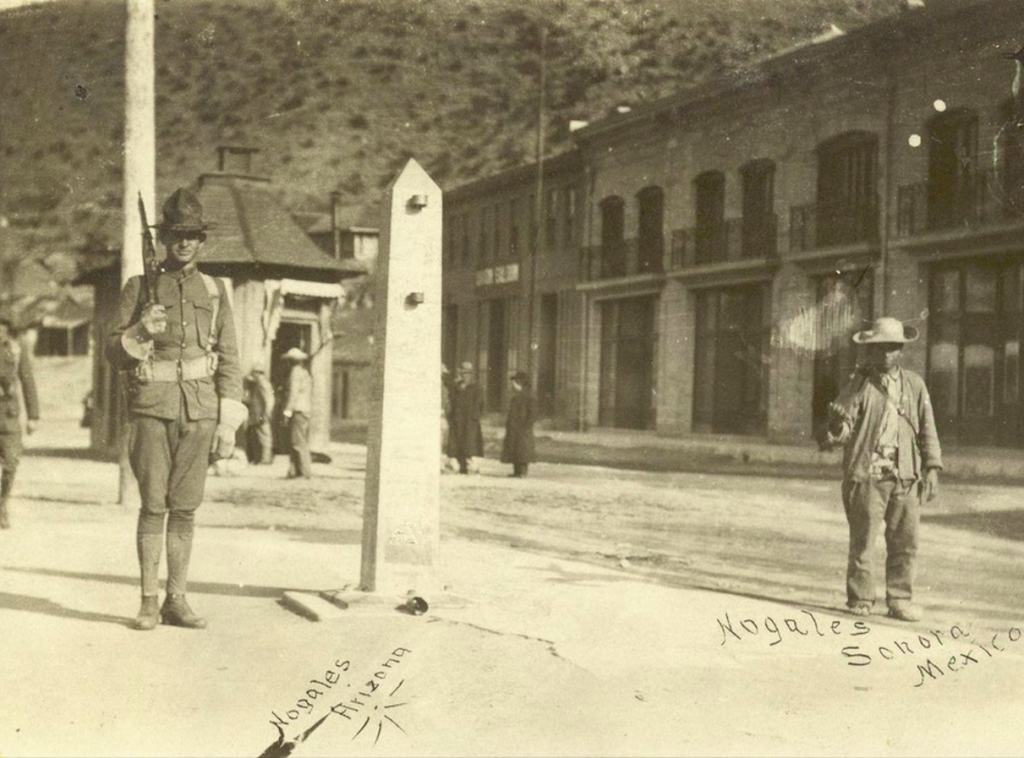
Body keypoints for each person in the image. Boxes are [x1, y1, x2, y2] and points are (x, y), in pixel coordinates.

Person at [106, 187, 246, 631]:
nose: (185, 243)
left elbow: (230, 358)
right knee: (153, 506)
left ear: (202, 240)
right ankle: (149, 601)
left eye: (192, 235)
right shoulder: (138, 287)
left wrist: (228, 423)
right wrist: (140, 331)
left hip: (200, 412)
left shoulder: (215, 291)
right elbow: (112, 351)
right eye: (177, 235)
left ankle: (177, 599)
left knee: (185, 509)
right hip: (151, 408)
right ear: (165, 238)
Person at [823, 316, 942, 623]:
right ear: (871, 351)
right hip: (867, 475)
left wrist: (931, 467)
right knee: (863, 540)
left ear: (901, 350)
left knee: (905, 541)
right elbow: (843, 429)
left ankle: (900, 599)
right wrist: (837, 422)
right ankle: (861, 598)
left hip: (905, 475)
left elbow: (927, 428)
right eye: (880, 348)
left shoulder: (915, 385)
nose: (886, 354)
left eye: (892, 348)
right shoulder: (858, 384)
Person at [0, 313, 39, 529]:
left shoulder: (15, 349)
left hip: (9, 416)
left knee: (11, 462)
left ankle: (2, 503)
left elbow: (27, 379)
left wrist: (33, 415)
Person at [281, 347, 313, 479]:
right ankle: (295, 470)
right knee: (300, 440)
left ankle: (304, 472)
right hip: (305, 409)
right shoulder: (305, 372)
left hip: (298, 410)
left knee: (297, 442)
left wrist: (287, 412)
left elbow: (293, 394)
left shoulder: (295, 373)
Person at [447, 361, 483, 474]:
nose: (464, 376)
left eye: (467, 373)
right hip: (458, 419)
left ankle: (471, 467)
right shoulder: (457, 387)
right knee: (458, 441)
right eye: (462, 373)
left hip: (470, 420)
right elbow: (452, 399)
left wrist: (475, 416)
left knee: (470, 443)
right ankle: (462, 466)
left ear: (471, 375)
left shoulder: (476, 387)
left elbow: (480, 403)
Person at [501, 371, 535, 478]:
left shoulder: (529, 396)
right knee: (514, 448)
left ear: (521, 383)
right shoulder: (516, 396)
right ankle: (516, 471)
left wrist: (527, 424)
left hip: (523, 427)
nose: (513, 385)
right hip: (514, 427)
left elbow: (532, 413)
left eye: (515, 383)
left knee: (522, 449)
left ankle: (523, 471)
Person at [243, 367, 275, 465]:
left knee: (265, 436)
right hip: (257, 414)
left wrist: (267, 413)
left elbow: (269, 400)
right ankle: (260, 458)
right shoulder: (258, 383)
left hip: (261, 414)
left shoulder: (262, 383)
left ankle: (266, 458)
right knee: (258, 436)